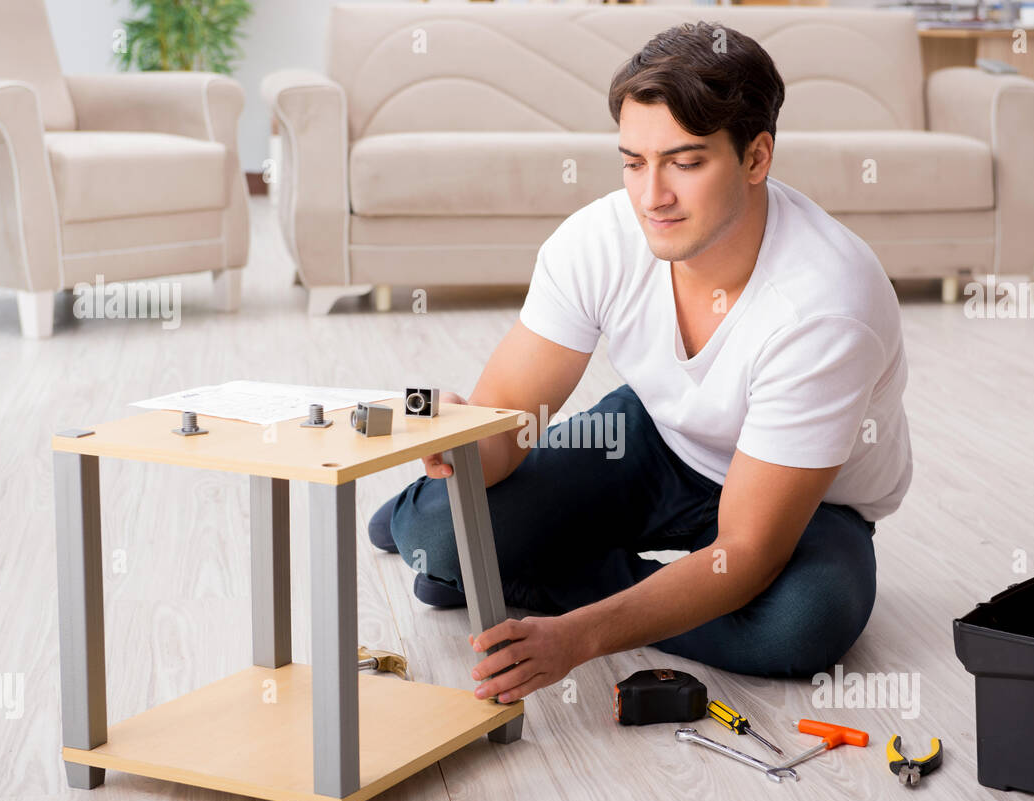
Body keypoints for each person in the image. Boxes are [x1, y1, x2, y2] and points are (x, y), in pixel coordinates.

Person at [368, 21, 912, 704]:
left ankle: (527, 576)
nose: (651, 196)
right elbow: (506, 427)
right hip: (660, 436)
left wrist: (579, 635)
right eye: (633, 161)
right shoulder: (598, 241)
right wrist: (463, 440)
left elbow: (743, 550)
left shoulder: (826, 304)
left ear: (755, 157)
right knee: (434, 536)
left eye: (685, 163)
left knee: (800, 625)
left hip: (808, 501)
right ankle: (449, 536)